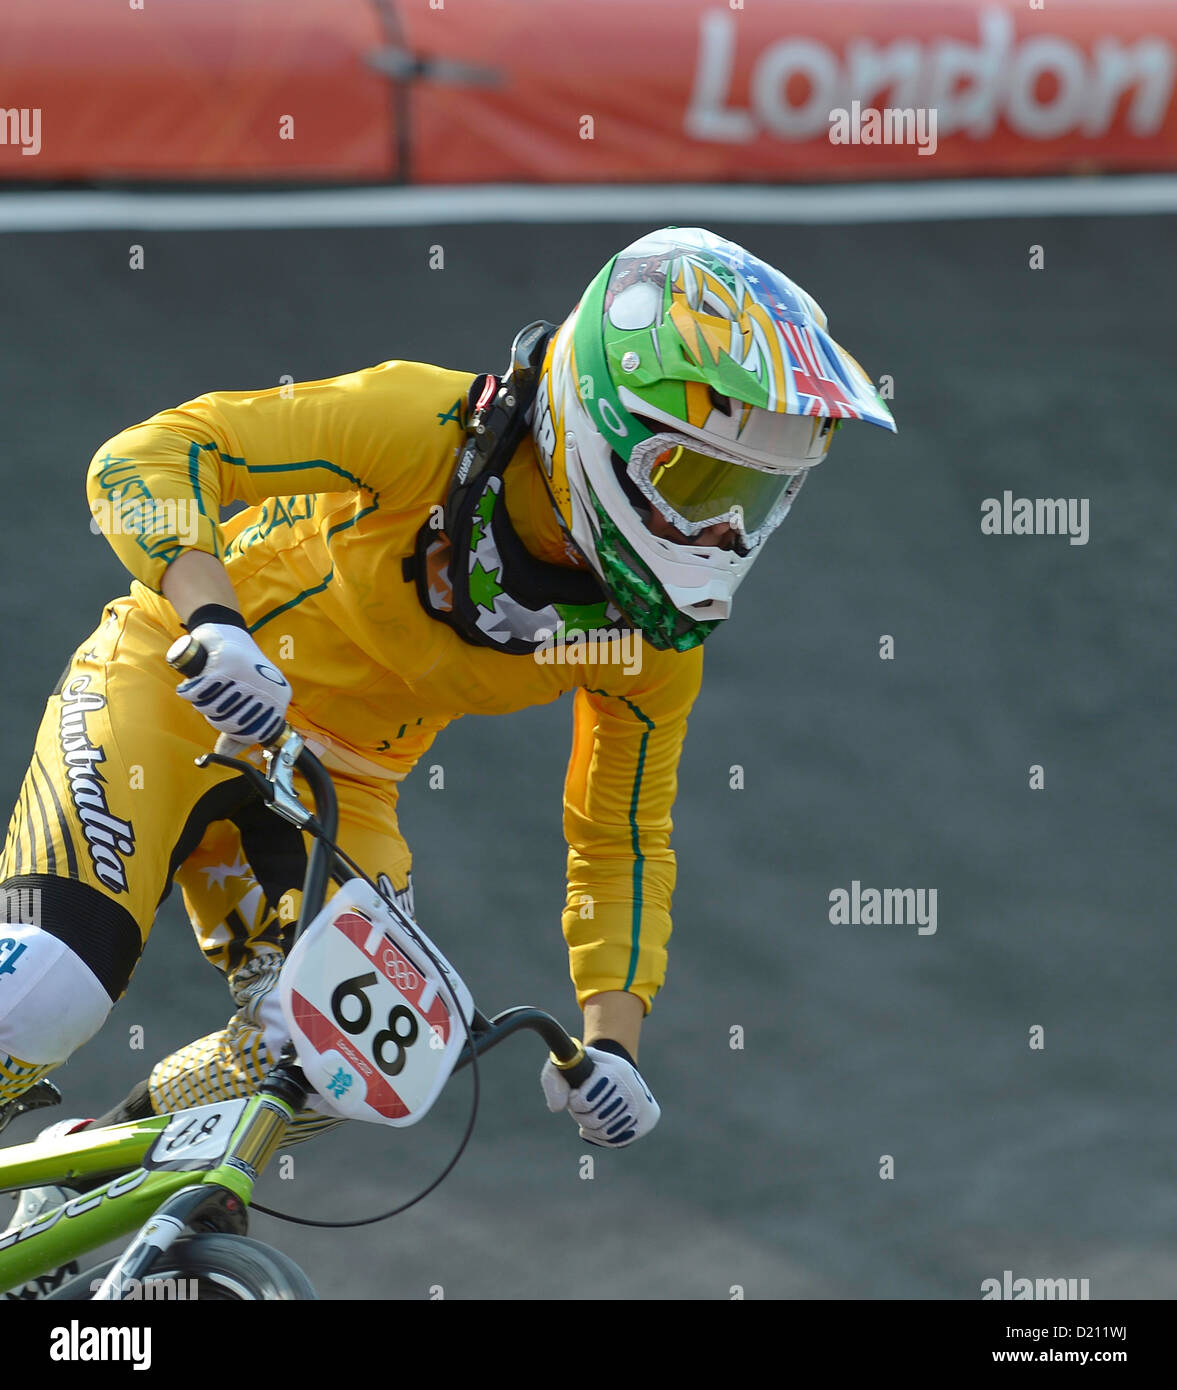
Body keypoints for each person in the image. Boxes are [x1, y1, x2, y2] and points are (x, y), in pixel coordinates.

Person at [0, 226, 895, 1268]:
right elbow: (148, 455)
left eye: (748, 502)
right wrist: (214, 621)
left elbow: (623, 840)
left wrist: (611, 1038)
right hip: (170, 685)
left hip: (339, 783)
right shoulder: (424, 422)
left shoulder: (650, 641)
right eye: (696, 484)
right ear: (601, 420)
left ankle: (79, 1173)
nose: (721, 539)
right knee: (48, 984)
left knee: (365, 1059)